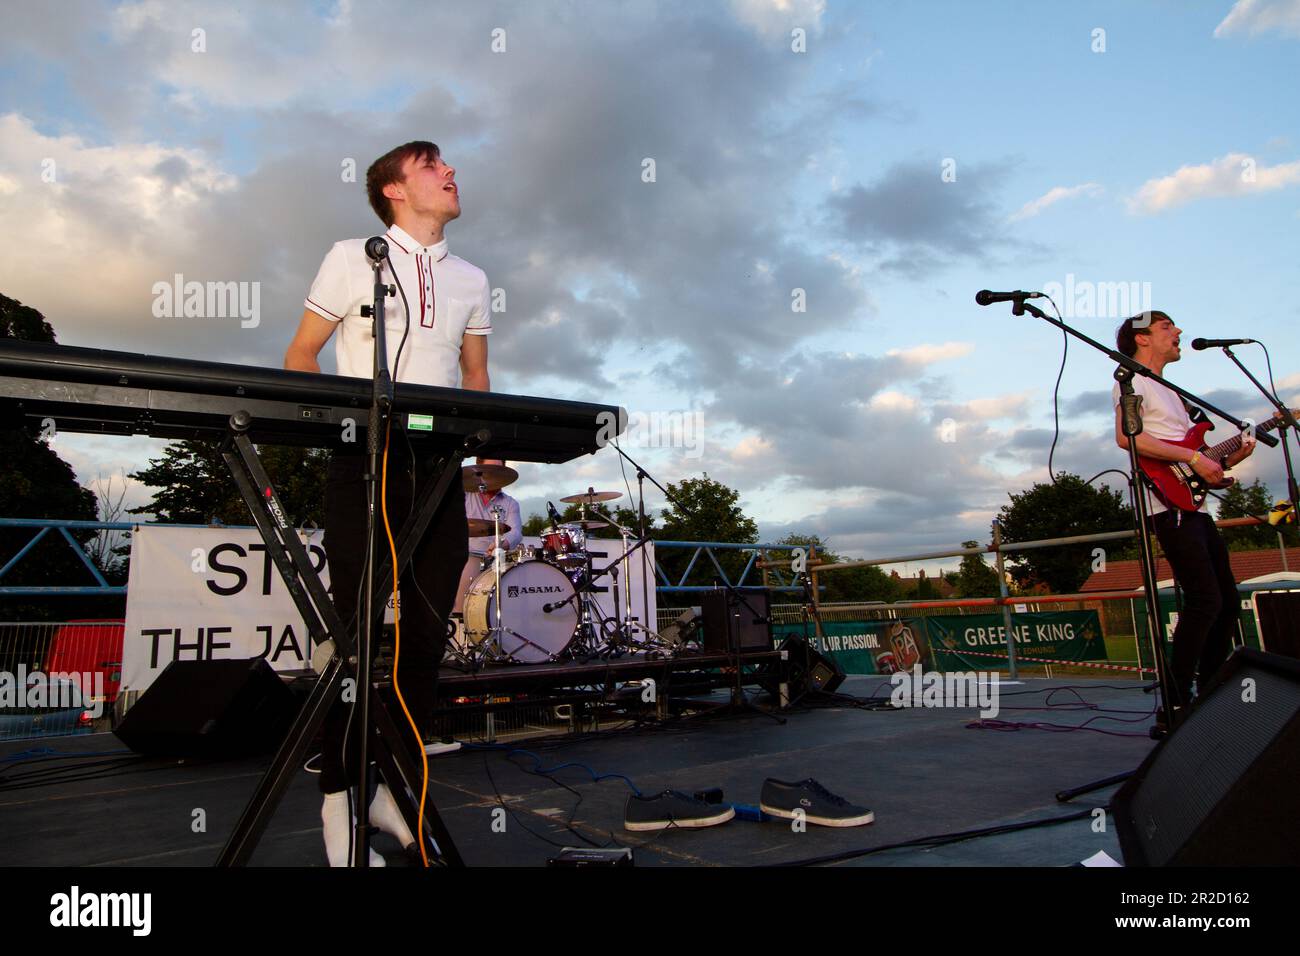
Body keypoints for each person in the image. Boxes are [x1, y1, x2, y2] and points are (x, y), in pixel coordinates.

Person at [284, 140, 492, 865]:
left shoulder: (471, 276)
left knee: (426, 643)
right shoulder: (353, 256)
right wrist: (333, 421)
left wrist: (484, 452)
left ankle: (395, 789)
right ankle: (341, 808)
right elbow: (301, 352)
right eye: (435, 167)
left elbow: (475, 372)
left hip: (438, 466)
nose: (451, 173)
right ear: (396, 190)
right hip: (363, 460)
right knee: (356, 641)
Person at [1112, 311, 1254, 719]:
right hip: (1165, 505)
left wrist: (1222, 460)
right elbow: (1128, 436)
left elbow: (1190, 454)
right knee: (1204, 599)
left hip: (1193, 504)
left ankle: (1210, 688)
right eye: (1166, 327)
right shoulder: (1132, 378)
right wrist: (1193, 456)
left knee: (1227, 600)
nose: (1178, 333)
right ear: (1141, 339)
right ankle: (1176, 700)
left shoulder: (1172, 391)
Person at [454, 460, 524, 615]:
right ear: (477, 472)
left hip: (499, 560)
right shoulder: (462, 497)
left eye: (497, 470)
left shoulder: (510, 503)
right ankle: (459, 616)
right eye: (487, 471)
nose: (492, 475)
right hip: (467, 557)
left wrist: (502, 543)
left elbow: (516, 532)